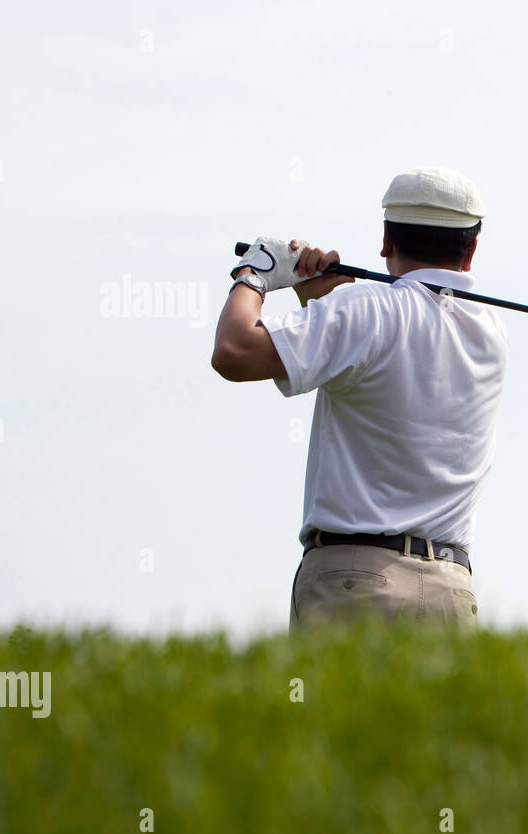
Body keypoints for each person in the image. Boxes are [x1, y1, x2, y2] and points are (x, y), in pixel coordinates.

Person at [211, 166, 508, 630]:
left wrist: (254, 275)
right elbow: (384, 359)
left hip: (355, 582)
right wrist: (322, 302)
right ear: (470, 250)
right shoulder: (490, 332)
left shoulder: (364, 310)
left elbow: (234, 352)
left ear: (386, 239)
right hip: (452, 590)